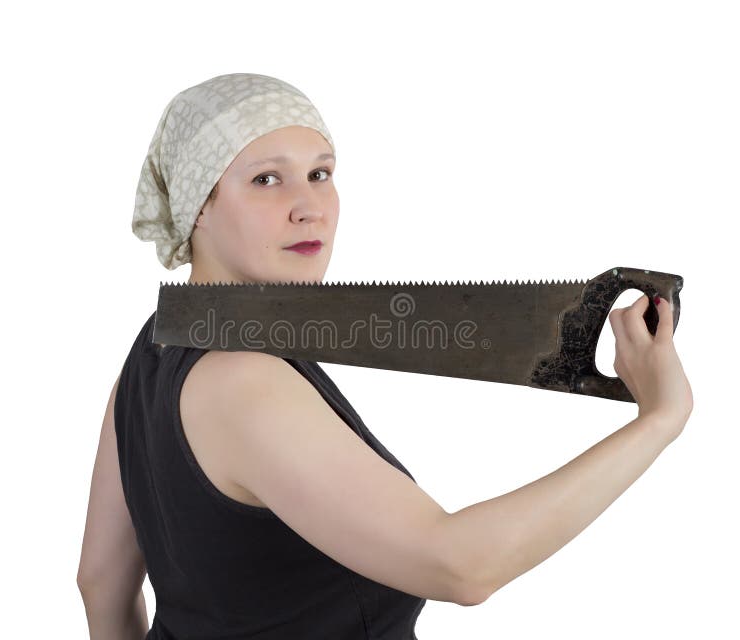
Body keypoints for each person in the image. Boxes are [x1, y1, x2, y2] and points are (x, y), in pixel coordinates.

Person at [77, 73, 694, 639]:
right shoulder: (242, 382)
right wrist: (659, 421)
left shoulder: (154, 347)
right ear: (197, 207)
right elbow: (462, 567)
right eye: (266, 179)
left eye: (320, 173)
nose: (309, 205)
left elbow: (101, 583)